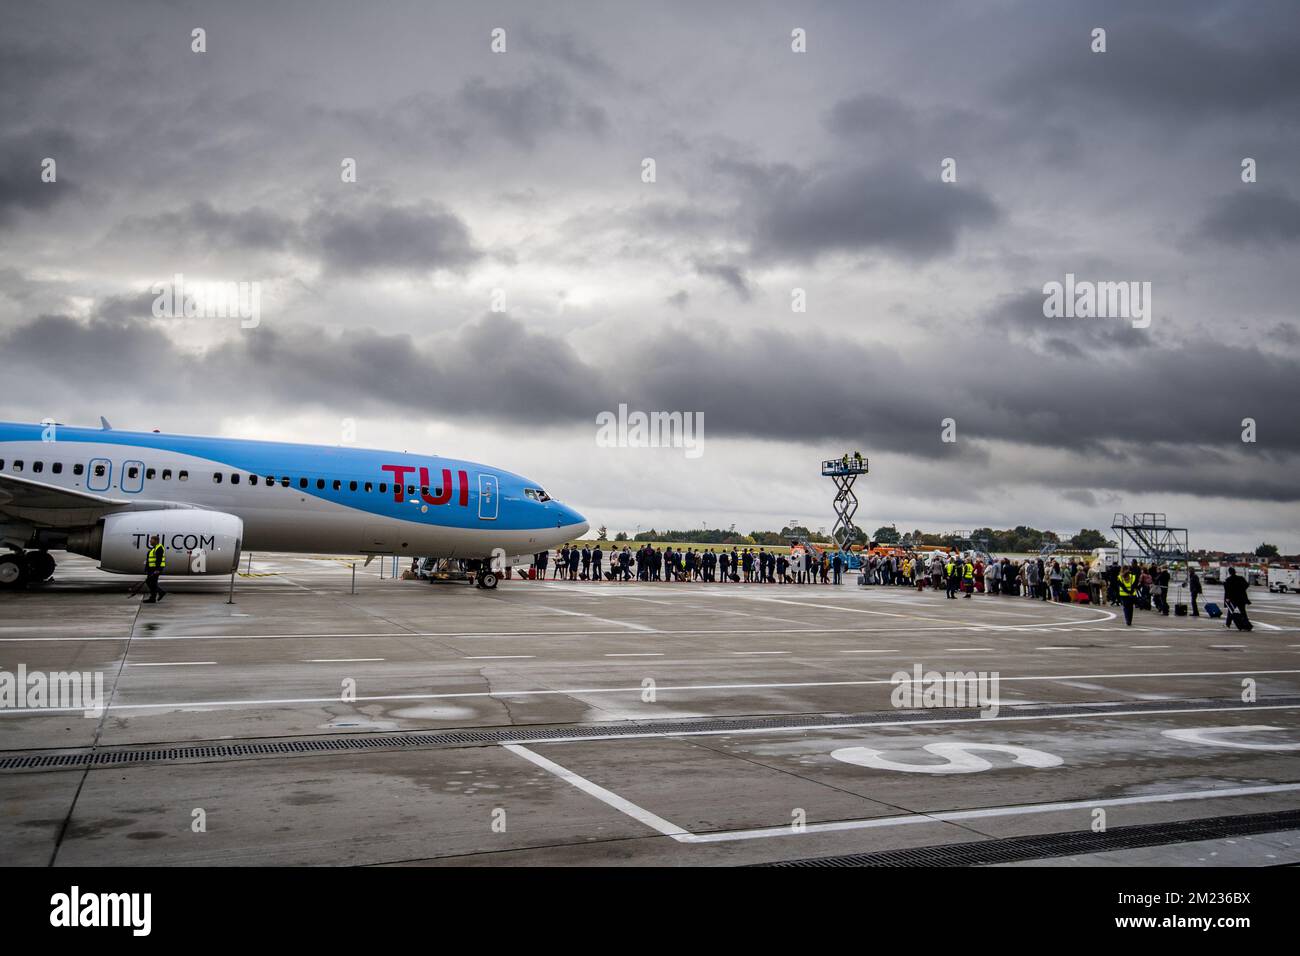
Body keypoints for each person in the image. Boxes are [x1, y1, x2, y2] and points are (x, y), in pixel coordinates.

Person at [143, 534, 166, 603]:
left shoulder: (159, 548)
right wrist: (147, 568)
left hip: (155, 569)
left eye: (151, 540)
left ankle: (160, 593)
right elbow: (150, 559)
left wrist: (157, 569)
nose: (150, 541)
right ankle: (153, 597)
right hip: (151, 569)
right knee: (151, 582)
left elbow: (159, 559)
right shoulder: (154, 548)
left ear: (156, 541)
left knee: (150, 582)